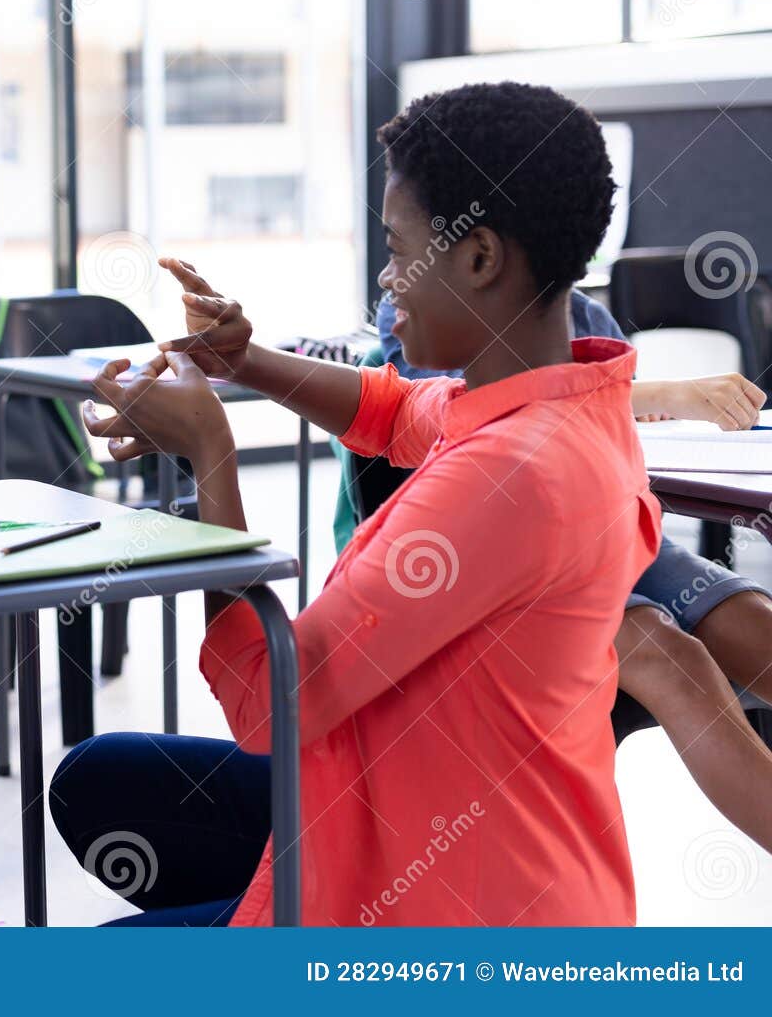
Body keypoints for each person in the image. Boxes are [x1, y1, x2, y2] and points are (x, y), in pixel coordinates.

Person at [56, 82, 657, 925]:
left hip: (460, 915)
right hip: (442, 818)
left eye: (396, 244)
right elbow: (394, 410)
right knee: (100, 781)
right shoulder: (562, 402)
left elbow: (268, 702)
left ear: (478, 257)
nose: (384, 275)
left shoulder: (507, 476)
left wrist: (210, 456)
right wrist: (245, 360)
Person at [377, 290, 772, 852]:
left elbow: (610, 435)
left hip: (608, 529)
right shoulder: (424, 307)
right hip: (511, 558)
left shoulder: (585, 315)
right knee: (669, 655)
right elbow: (473, 416)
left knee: (752, 620)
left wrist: (635, 409)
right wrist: (662, 396)